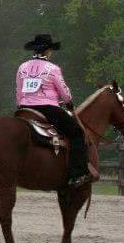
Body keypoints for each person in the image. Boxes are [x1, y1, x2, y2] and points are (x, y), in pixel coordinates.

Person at [16, 34, 91, 187]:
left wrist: (22, 105)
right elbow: (64, 93)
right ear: (48, 51)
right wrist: (69, 102)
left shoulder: (22, 67)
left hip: (24, 109)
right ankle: (78, 174)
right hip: (48, 109)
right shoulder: (53, 69)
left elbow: (18, 91)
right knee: (77, 133)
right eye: (50, 50)